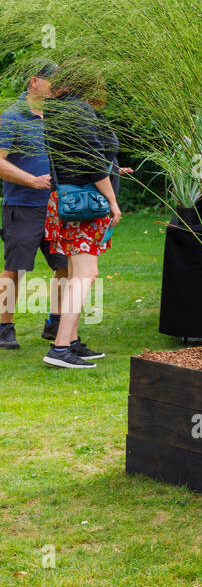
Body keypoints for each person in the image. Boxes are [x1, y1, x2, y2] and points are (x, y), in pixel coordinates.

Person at [41, 64, 120, 369]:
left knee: (76, 271)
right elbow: (93, 162)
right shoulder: (80, 112)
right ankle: (60, 348)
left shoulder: (56, 111)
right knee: (86, 274)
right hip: (84, 203)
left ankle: (70, 341)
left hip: (65, 199)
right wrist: (112, 201)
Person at [0, 62, 70, 350]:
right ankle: (4, 329)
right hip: (23, 205)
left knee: (65, 266)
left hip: (56, 207)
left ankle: (55, 324)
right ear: (34, 82)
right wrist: (32, 181)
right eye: (55, 82)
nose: (60, 88)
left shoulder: (55, 117)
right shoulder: (12, 117)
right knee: (15, 269)